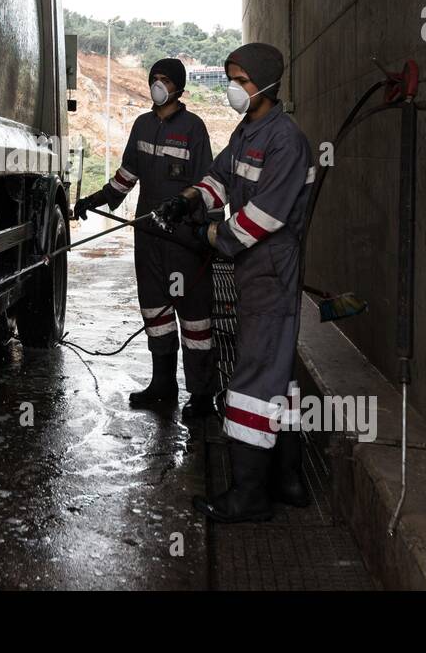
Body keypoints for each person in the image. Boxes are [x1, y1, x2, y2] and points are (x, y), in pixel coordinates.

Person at [154, 43, 313, 521]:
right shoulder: (249, 132)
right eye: (231, 78)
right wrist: (187, 200)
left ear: (263, 84)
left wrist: (209, 234)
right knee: (275, 377)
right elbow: (219, 179)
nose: (232, 89)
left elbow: (260, 219)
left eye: (239, 80)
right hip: (255, 271)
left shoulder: (285, 140)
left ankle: (247, 496)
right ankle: (287, 480)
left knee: (251, 380)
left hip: (271, 270)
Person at [73, 58, 218, 419]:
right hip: (149, 235)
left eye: (164, 80)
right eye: (154, 79)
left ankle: (201, 394)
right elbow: (126, 176)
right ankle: (163, 384)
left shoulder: (194, 129)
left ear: (179, 87)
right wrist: (94, 199)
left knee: (195, 319)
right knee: (155, 309)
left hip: (183, 241)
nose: (157, 85)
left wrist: (208, 234)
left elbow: (209, 186)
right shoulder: (141, 126)